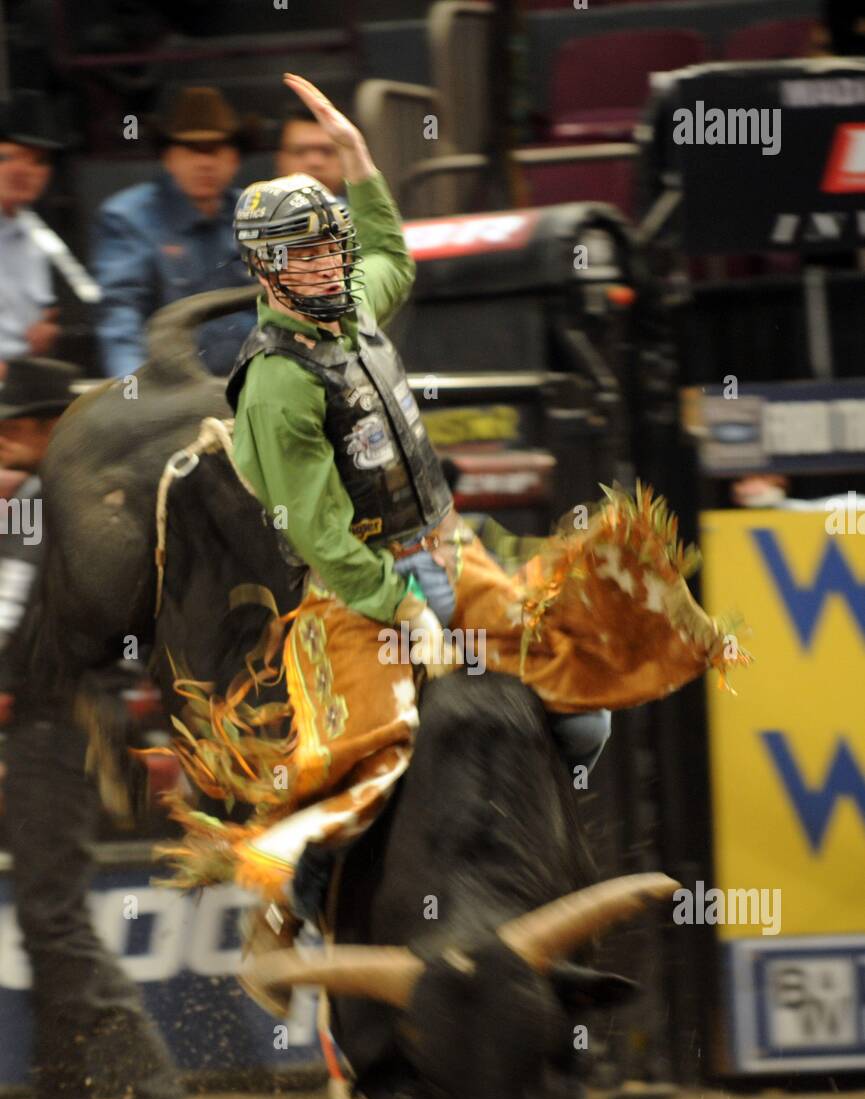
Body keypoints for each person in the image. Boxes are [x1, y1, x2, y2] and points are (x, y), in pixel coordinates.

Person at [161, 74, 743, 928]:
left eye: (329, 245)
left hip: (447, 548)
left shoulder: (355, 308)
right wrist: (404, 608)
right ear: (266, 269)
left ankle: (525, 866)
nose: (325, 264)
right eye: (303, 254)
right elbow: (320, 534)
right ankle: (291, 914)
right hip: (351, 597)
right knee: (364, 770)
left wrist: (359, 164)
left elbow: (391, 258)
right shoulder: (276, 386)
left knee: (582, 708)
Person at [0, 357, 194, 1099]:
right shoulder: (61, 498)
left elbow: (14, 614)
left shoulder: (48, 503)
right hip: (67, 715)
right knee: (48, 909)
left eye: (14, 424)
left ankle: (153, 1094)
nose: (4, 436)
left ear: (46, 429)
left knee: (52, 909)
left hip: (58, 718)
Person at [91, 86, 257, 379]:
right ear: (169, 158)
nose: (204, 162)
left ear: (234, 159)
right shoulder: (129, 218)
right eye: (192, 149)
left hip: (249, 384)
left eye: (216, 149)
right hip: (169, 392)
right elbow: (121, 315)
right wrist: (131, 390)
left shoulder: (256, 214)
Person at [0, 91, 63, 381]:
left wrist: (45, 326)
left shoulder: (33, 238)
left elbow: (44, 316)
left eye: (37, 161)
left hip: (20, 388)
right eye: (8, 156)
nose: (22, 170)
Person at [276, 107, 346, 200]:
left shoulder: (368, 212)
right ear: (280, 160)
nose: (315, 162)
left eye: (327, 151)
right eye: (300, 151)